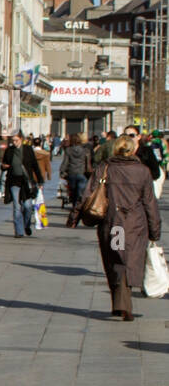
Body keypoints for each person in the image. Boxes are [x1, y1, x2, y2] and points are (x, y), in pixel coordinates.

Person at [96, 135, 161, 320]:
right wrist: (154, 229)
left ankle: (121, 303)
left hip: (113, 222)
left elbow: (90, 193)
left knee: (115, 259)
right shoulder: (142, 171)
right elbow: (150, 203)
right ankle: (123, 304)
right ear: (132, 150)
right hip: (135, 224)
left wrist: (76, 215)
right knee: (128, 261)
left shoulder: (105, 168)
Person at [0, 133, 45, 238]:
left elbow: (35, 166)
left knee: (28, 206)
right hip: (13, 182)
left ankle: (26, 225)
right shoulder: (9, 150)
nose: (14, 142)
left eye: (16, 140)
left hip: (27, 183)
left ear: (21, 139)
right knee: (17, 206)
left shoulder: (28, 150)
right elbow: (4, 164)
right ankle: (19, 231)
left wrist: (40, 181)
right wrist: (4, 166)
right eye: (13, 140)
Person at [59, 132, 92, 221]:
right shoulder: (85, 150)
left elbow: (65, 162)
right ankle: (80, 206)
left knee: (73, 191)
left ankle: (74, 207)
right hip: (82, 173)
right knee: (80, 192)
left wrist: (62, 171)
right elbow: (87, 163)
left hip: (72, 173)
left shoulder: (68, 150)